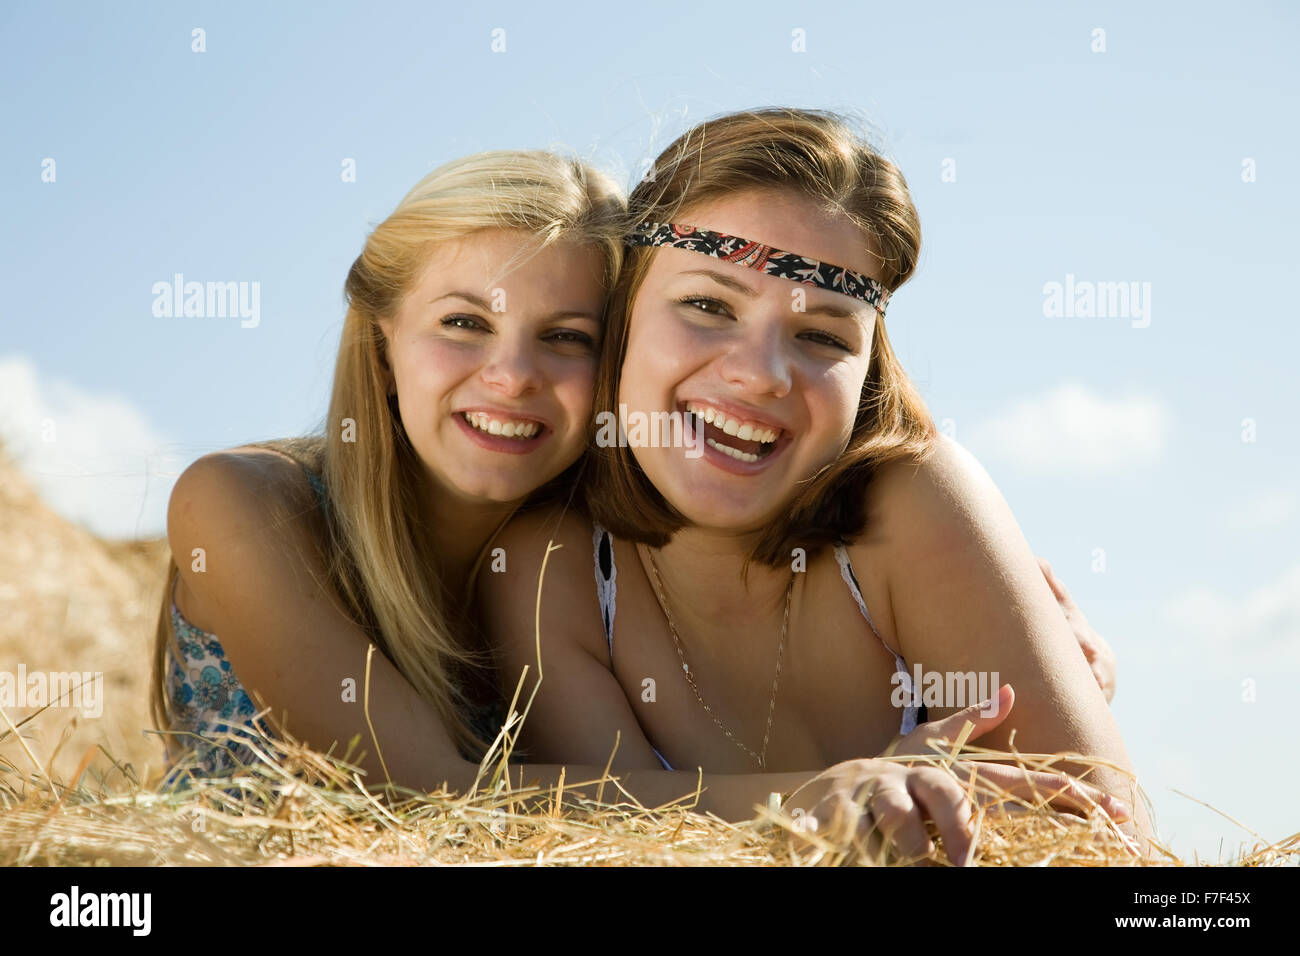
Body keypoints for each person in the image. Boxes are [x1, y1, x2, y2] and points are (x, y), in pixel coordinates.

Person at [480, 108, 1153, 859]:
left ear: (868, 369)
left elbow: (1108, 843)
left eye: (823, 335)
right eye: (707, 305)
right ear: (623, 313)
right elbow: (613, 841)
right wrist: (820, 804)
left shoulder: (917, 506)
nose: (761, 374)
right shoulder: (549, 569)